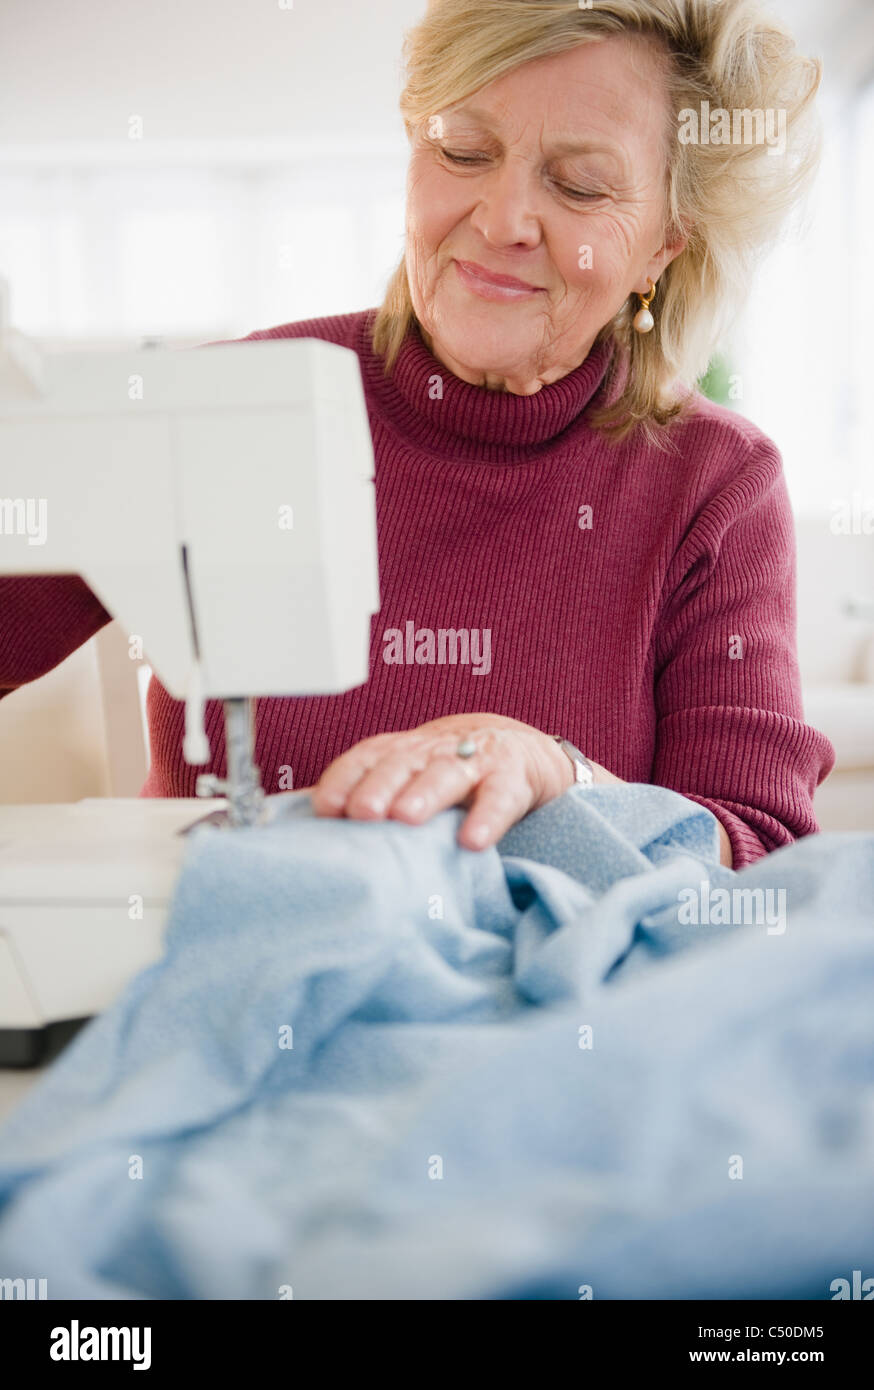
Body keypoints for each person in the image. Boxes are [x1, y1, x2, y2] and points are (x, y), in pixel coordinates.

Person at [0, 0, 834, 869]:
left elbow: (762, 855)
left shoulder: (713, 485)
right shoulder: (235, 401)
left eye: (580, 184)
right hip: (234, 962)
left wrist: (562, 779)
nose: (501, 217)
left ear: (664, 245)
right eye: (463, 152)